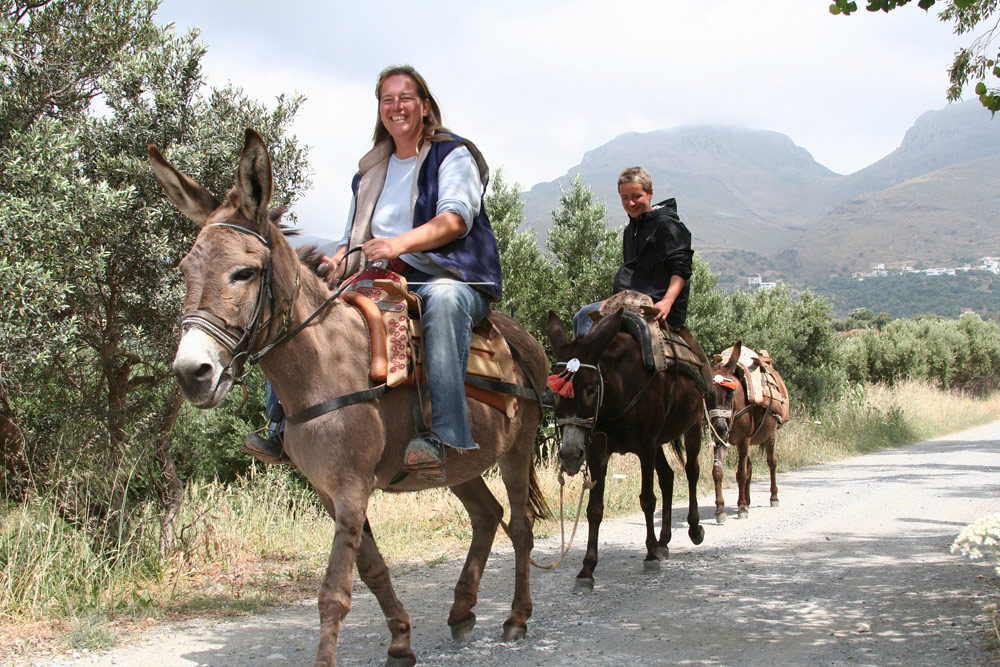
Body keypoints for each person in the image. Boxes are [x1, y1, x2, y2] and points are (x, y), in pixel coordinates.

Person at [244, 65, 502, 481]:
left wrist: (397, 245)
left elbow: (454, 220)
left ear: (425, 106)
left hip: (449, 275)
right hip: (383, 276)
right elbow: (355, 236)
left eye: (405, 98)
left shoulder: (453, 155)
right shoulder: (370, 170)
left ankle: (443, 433)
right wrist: (337, 261)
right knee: (302, 301)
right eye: (387, 99)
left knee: (444, 301)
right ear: (380, 108)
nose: (396, 106)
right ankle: (278, 425)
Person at [559, 166, 714, 406]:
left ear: (650, 194)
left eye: (636, 196)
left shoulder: (667, 225)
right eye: (625, 198)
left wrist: (667, 301)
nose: (630, 203)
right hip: (630, 299)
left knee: (586, 317)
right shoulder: (631, 230)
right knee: (582, 315)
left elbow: (681, 268)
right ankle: (582, 379)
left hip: (656, 301)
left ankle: (576, 377)